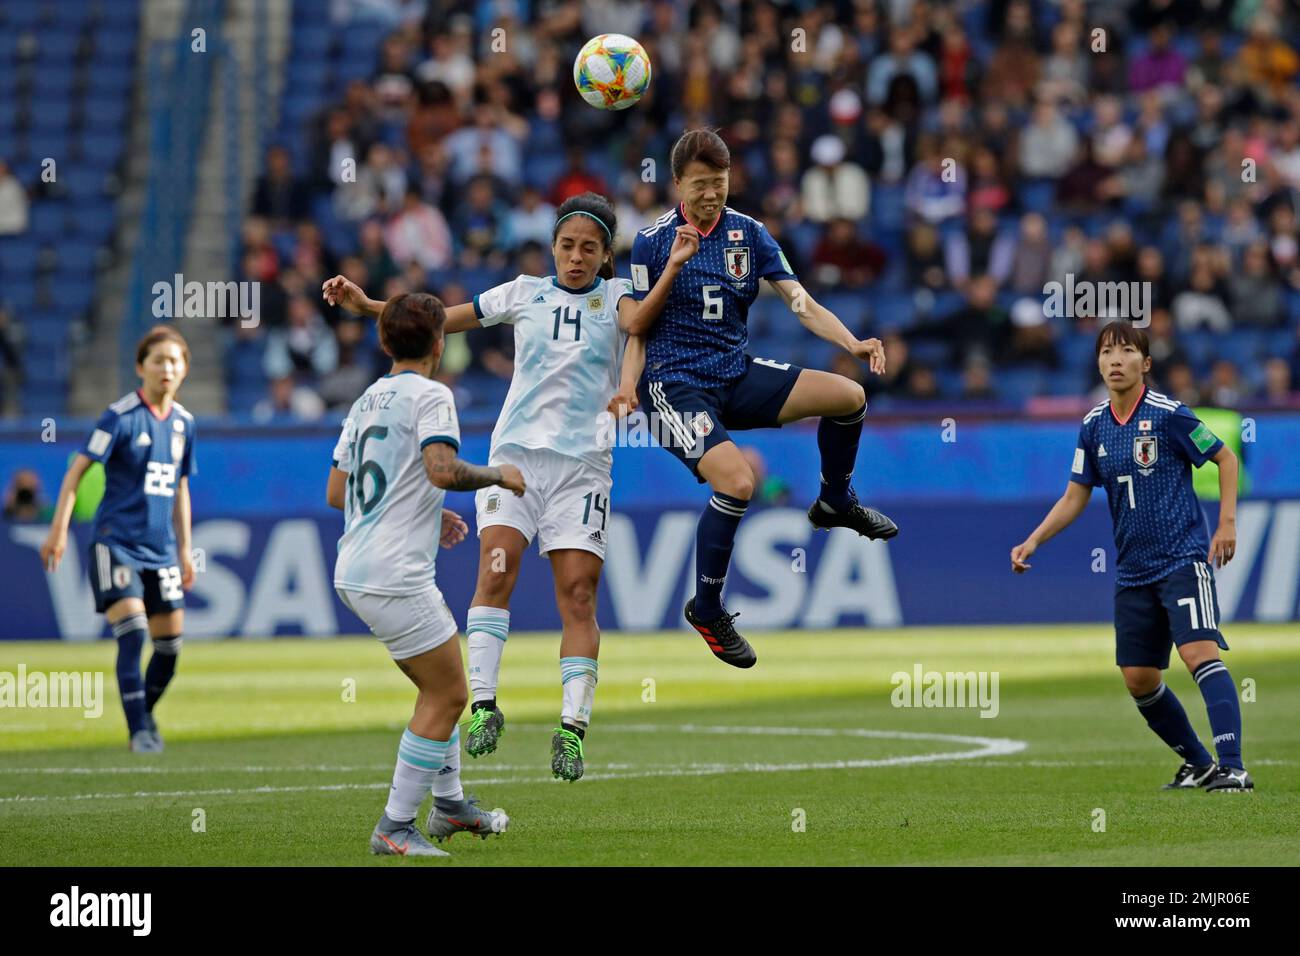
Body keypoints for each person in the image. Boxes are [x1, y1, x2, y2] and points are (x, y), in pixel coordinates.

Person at [322, 192, 650, 782]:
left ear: (606, 257)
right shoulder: (523, 292)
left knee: (578, 595)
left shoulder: (619, 297)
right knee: (495, 572)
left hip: (583, 468)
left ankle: (572, 729)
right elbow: (434, 321)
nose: (576, 257)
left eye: (589, 249)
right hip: (514, 458)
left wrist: (629, 380)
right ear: (552, 246)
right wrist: (369, 304)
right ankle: (483, 706)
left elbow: (640, 328)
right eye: (567, 245)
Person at [1011, 321, 1251, 792]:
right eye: (1106, 352)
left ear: (1146, 363)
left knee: (1199, 654)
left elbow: (1225, 458)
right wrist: (1034, 539)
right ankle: (1199, 763)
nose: (1115, 360)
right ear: (1098, 363)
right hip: (1133, 571)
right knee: (1139, 679)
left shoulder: (1170, 415)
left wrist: (1226, 523)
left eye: (1126, 351)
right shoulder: (1093, 425)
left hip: (1181, 559)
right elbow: (1075, 496)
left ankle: (1234, 766)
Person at [326, 292, 521, 856]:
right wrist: (497, 476)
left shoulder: (365, 400)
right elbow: (441, 469)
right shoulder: (434, 395)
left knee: (439, 687)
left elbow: (338, 490)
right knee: (449, 694)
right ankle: (394, 826)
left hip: (356, 566)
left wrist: (425, 514)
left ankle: (452, 806)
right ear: (442, 343)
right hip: (394, 574)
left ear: (384, 343)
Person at [40, 326, 196, 753]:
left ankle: (142, 715)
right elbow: (77, 471)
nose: (167, 368)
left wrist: (184, 548)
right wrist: (58, 530)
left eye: (175, 361)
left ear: (184, 369)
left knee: (169, 649)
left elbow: (181, 487)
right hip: (117, 544)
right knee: (133, 633)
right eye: (159, 360)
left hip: (161, 551)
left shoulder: (184, 424)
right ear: (140, 367)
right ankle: (140, 733)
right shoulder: (120, 415)